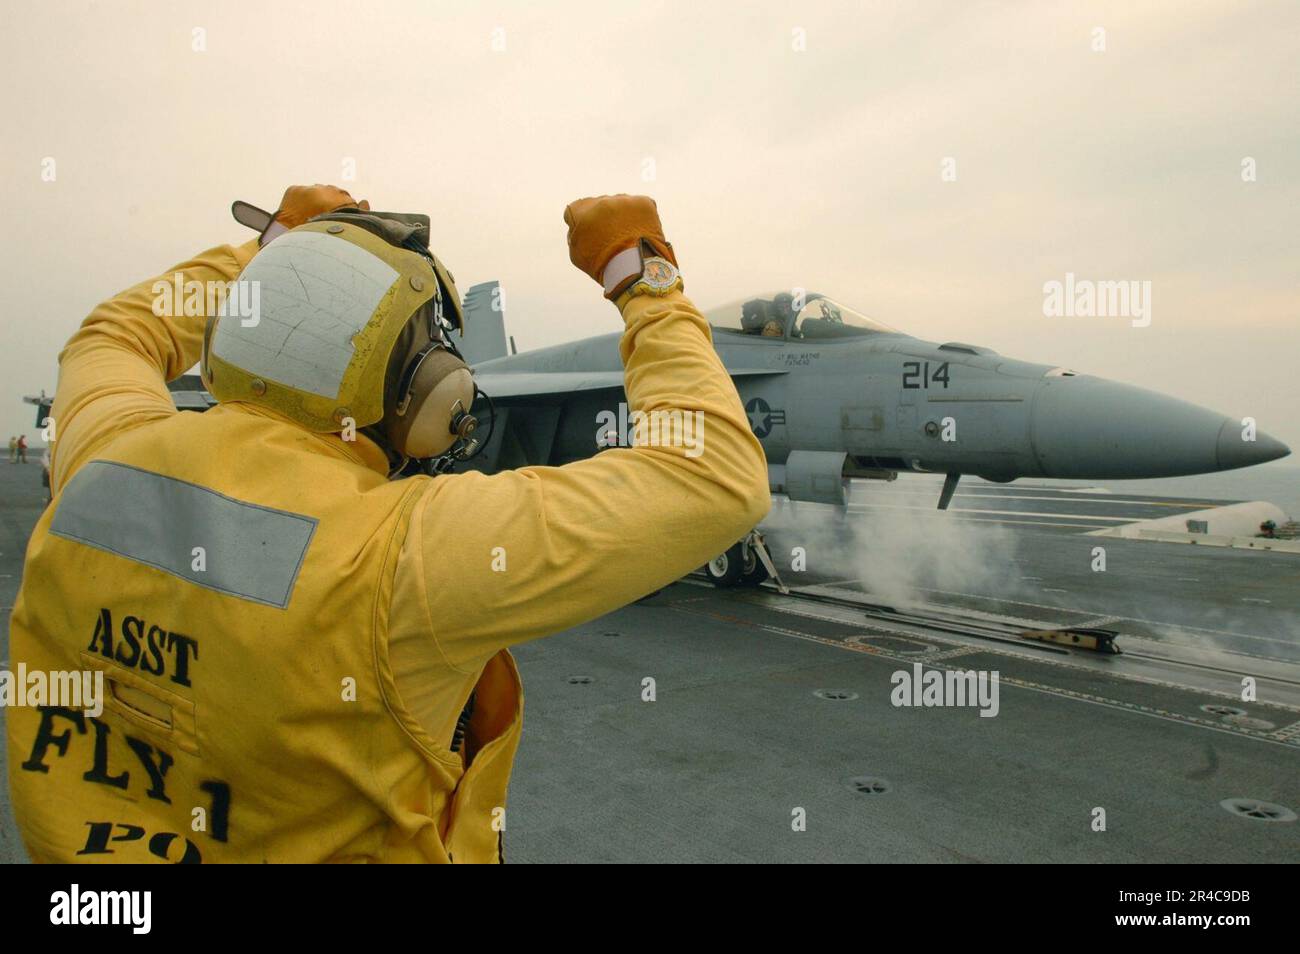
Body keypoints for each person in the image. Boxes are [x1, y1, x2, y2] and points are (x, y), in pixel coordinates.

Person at [7, 185, 769, 863]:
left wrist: (268, 249)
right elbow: (713, 476)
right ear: (425, 391)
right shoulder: (411, 555)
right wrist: (644, 280)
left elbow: (114, 335)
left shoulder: (100, 458)